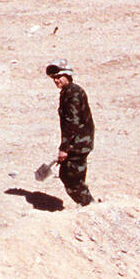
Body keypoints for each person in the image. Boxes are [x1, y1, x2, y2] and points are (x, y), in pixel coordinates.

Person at [47, 63, 94, 206]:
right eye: (53, 78)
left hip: (78, 143)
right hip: (79, 142)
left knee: (71, 177)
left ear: (67, 75)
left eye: (59, 77)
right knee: (71, 176)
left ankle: (88, 205)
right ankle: (86, 203)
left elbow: (72, 123)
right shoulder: (70, 91)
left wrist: (64, 148)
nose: (56, 81)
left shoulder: (72, 93)